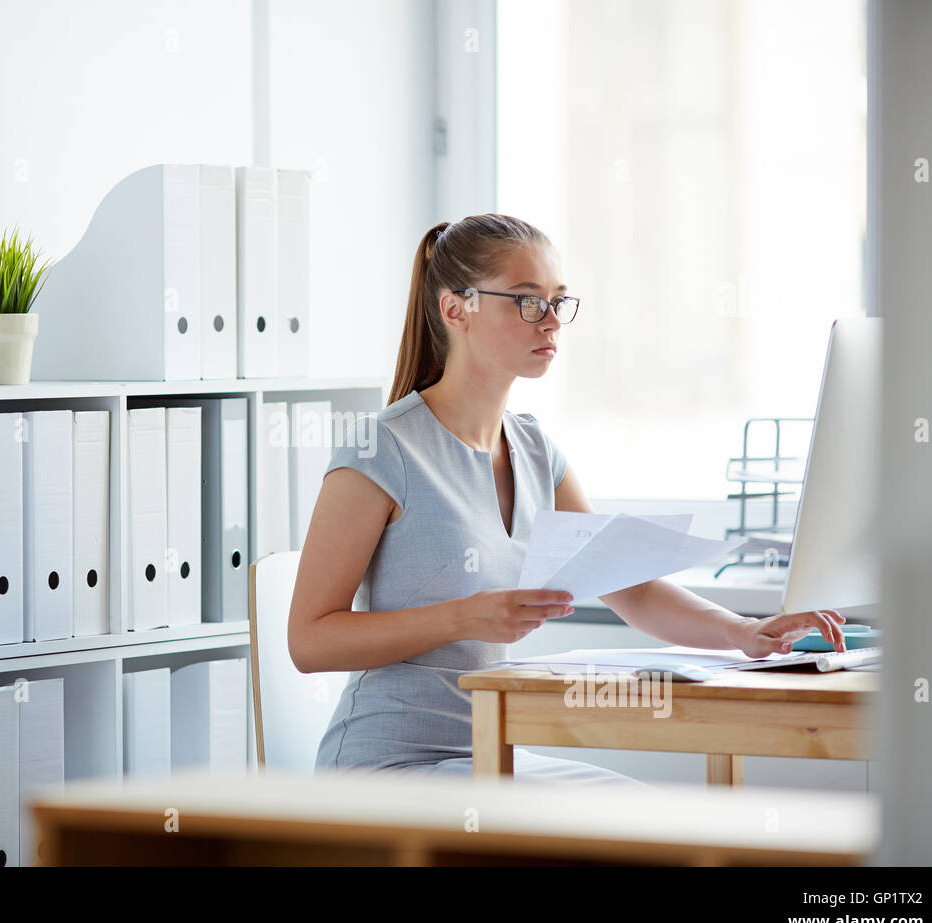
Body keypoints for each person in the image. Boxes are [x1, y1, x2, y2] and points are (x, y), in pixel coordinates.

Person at [289, 213, 847, 784]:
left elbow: (628, 584)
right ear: (457, 309)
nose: (551, 321)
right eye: (527, 301)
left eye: (559, 301)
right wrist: (465, 617)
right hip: (388, 764)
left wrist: (745, 632)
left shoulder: (534, 449)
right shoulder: (384, 449)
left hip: (491, 753)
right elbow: (309, 640)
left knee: (653, 821)